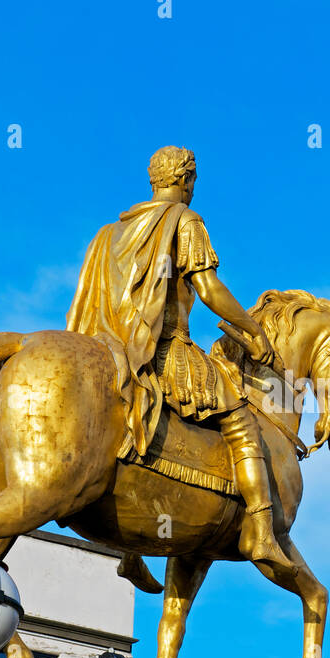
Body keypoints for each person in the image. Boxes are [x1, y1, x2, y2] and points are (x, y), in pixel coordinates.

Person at [65, 146, 290, 569]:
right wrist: (253, 330)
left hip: (108, 349)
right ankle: (261, 529)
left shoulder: (106, 234)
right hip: (162, 347)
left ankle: (135, 548)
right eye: (193, 179)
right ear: (186, 180)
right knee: (242, 418)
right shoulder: (185, 221)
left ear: (154, 179)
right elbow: (208, 290)